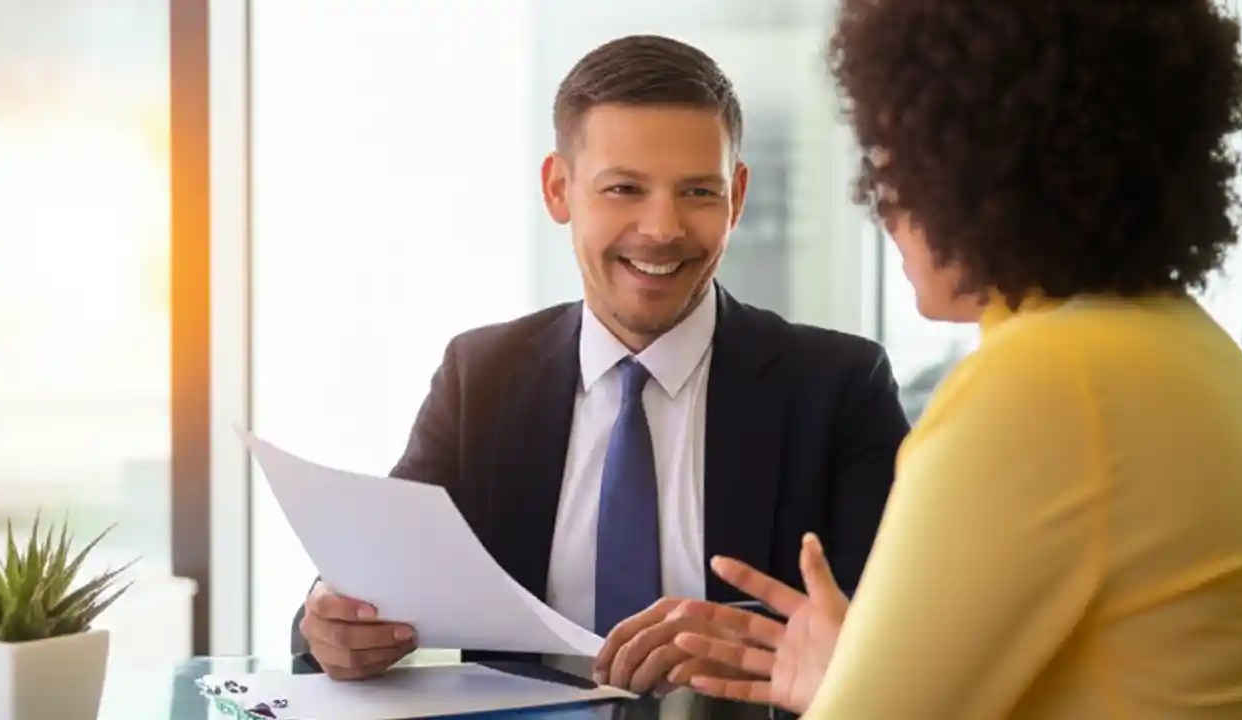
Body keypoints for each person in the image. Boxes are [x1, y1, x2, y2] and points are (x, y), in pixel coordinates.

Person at [667, 0, 1242, 717]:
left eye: (895, 165)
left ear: (983, 175)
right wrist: (863, 671)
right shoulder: (1184, 348)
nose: (883, 207)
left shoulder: (1047, 382)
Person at [290, 33, 910, 715]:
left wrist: (739, 638)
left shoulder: (840, 386)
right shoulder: (482, 376)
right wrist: (330, 619)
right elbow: (375, 577)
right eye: (624, 189)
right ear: (560, 190)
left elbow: (899, 630)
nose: (661, 228)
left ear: (735, 197)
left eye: (697, 192)